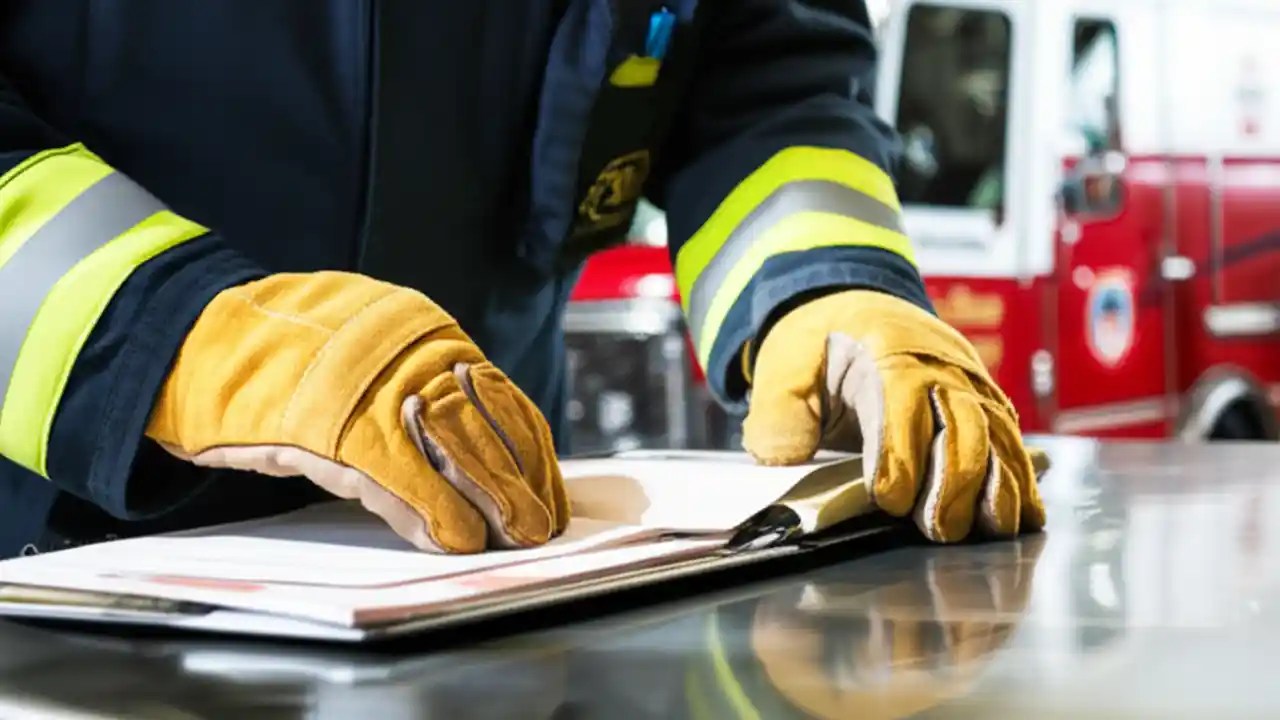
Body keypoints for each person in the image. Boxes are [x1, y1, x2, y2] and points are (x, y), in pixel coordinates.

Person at [0, 1, 1044, 558]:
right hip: (52, 572)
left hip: (488, 564)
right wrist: (174, 337)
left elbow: (762, 79)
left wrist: (820, 287)